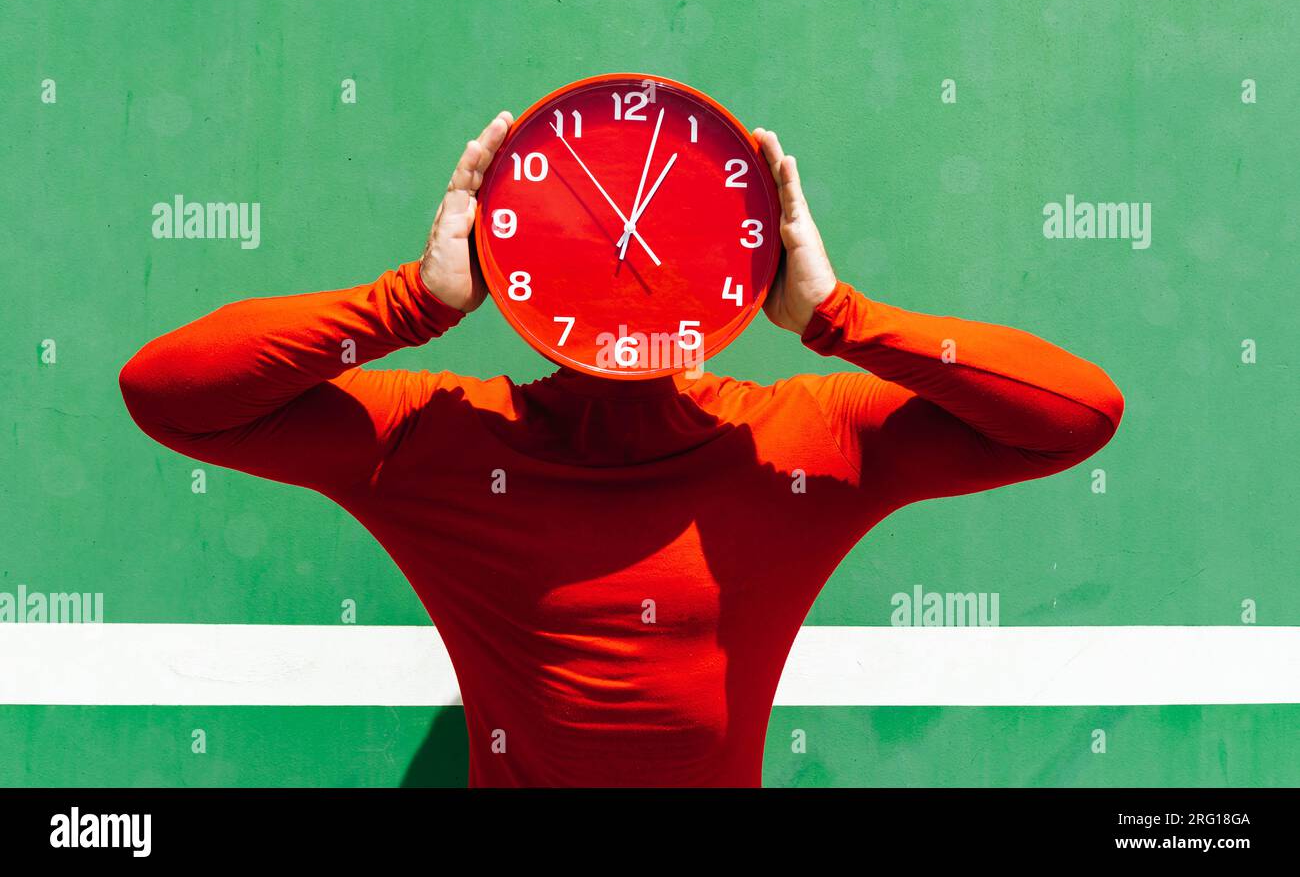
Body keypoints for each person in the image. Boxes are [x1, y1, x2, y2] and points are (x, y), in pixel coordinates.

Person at [119, 111, 1124, 786]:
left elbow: (1079, 412)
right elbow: (167, 393)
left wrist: (838, 315)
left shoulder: (802, 436)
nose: (628, 276)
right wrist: (409, 302)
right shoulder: (439, 434)